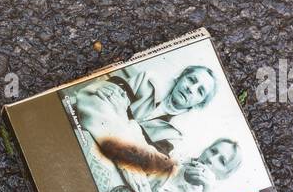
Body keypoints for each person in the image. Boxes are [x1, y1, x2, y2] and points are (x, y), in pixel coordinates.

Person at [62, 64, 217, 156]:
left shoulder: (175, 135)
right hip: (90, 126)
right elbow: (103, 99)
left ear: (199, 104)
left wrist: (122, 117)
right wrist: (134, 137)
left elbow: (143, 157)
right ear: (181, 77)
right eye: (191, 79)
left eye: (200, 91)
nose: (191, 89)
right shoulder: (148, 81)